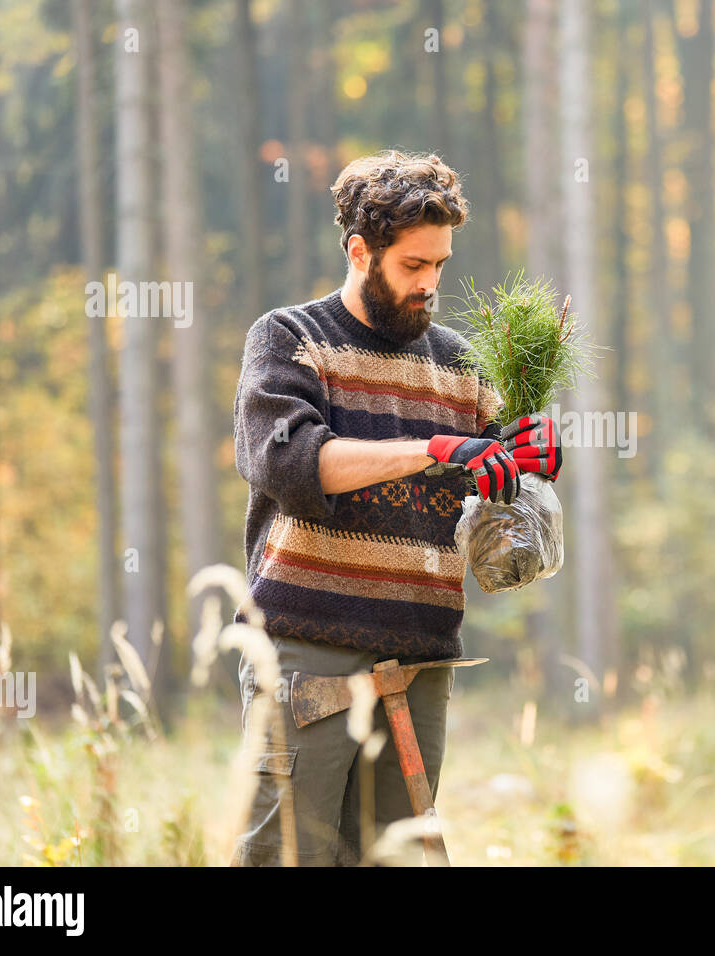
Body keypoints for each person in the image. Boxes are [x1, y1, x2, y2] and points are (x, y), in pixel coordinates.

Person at [229, 149, 563, 866]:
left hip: (420, 654)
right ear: (360, 250)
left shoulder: (461, 364)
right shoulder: (289, 338)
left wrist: (528, 466)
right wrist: (435, 450)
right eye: (413, 266)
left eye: (439, 265)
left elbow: (493, 506)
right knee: (283, 856)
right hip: (306, 649)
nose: (430, 284)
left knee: (393, 861)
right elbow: (293, 464)